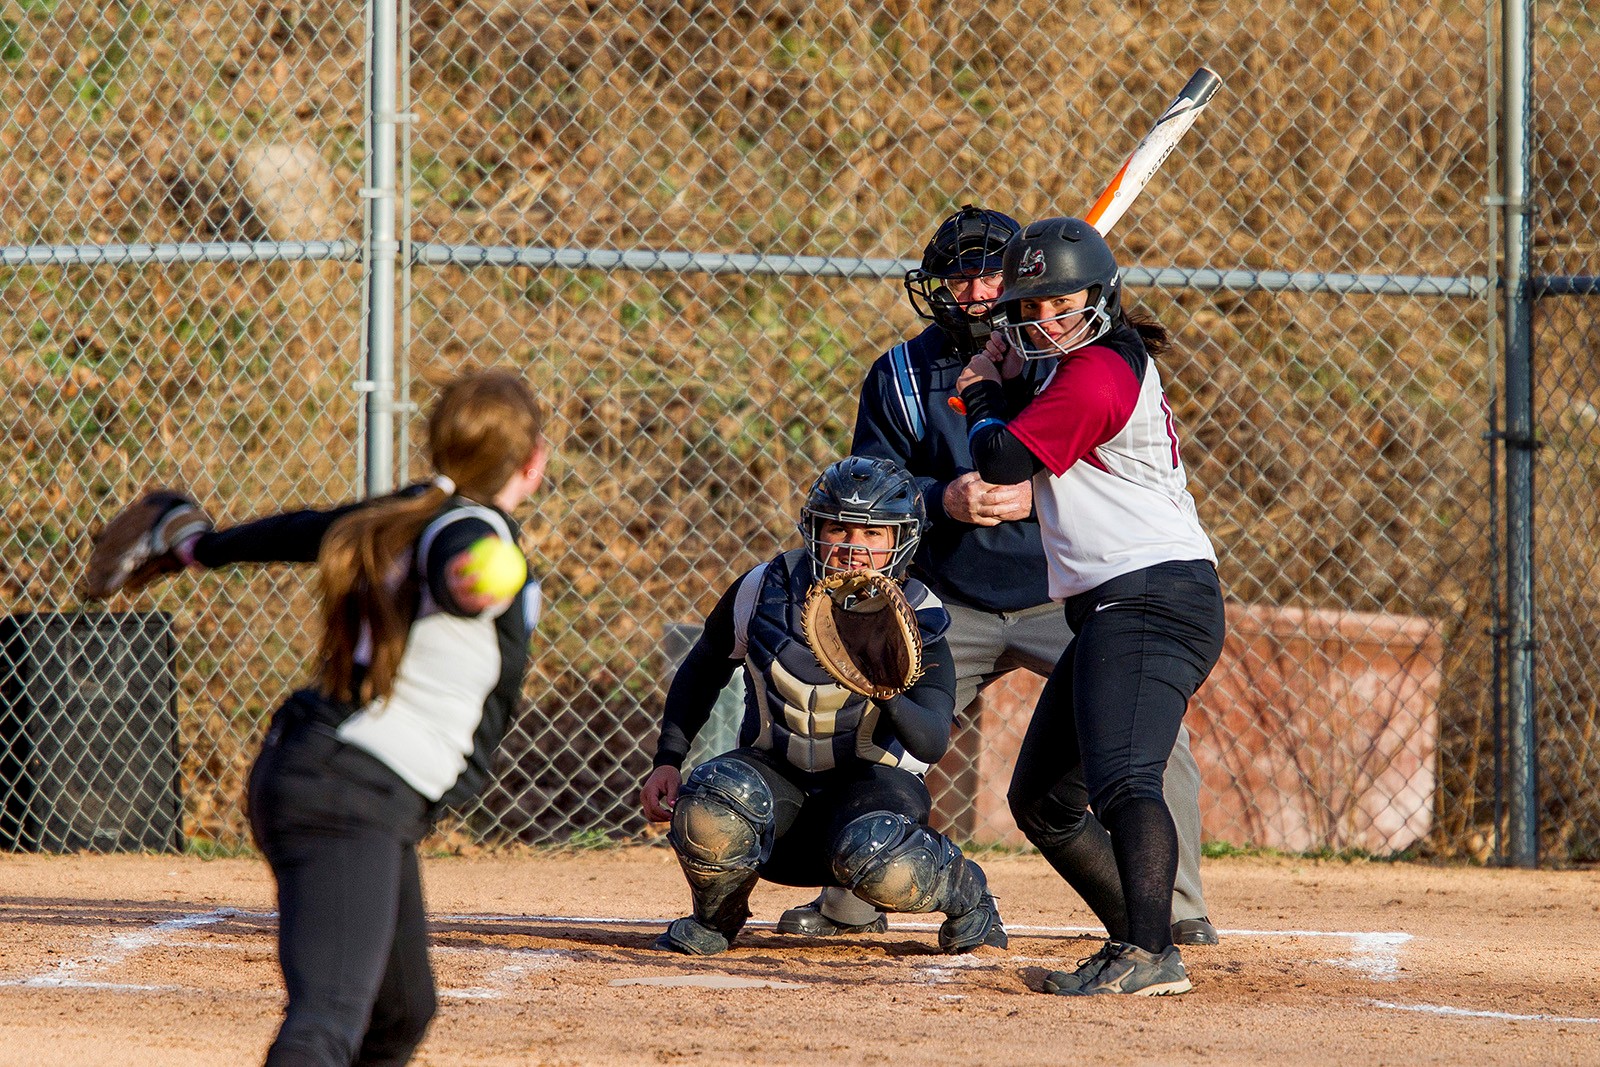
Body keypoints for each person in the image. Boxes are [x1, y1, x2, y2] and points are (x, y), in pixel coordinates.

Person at [776, 205, 1218, 948]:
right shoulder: (903, 376)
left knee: (1143, 738)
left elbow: (1028, 450)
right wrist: (942, 498)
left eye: (990, 271)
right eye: (960, 274)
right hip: (957, 591)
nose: (976, 288)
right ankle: (854, 890)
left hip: (1066, 589)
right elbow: (869, 490)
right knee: (885, 717)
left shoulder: (1064, 360)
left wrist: (1013, 435)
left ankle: (1173, 911)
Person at [165, 370, 547, 1063]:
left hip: (355, 780)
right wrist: (474, 578)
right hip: (350, 790)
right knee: (327, 1021)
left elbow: (308, 528)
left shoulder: (413, 509)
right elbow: (459, 564)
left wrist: (200, 546)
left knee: (399, 1013)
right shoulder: (469, 530)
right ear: (534, 462)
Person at [954, 216, 1225, 996]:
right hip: (1115, 602)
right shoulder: (1066, 364)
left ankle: (1149, 954)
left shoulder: (1100, 371)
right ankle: (1141, 933)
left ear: (1102, 298)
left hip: (1152, 593)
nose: (1047, 321)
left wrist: (980, 395)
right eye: (1033, 308)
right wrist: (1007, 374)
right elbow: (1031, 393)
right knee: (1043, 798)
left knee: (1127, 779)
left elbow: (1001, 456)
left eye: (1063, 304)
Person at [638, 456, 1008, 957]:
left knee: (881, 857)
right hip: (777, 789)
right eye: (839, 529)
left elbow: (930, 740)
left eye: (874, 535)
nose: (854, 549)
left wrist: (885, 687)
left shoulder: (919, 613)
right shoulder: (764, 587)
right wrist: (668, 758)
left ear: (902, 541)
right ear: (814, 530)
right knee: (711, 801)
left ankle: (968, 895)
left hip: (869, 799)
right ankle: (717, 915)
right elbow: (702, 669)